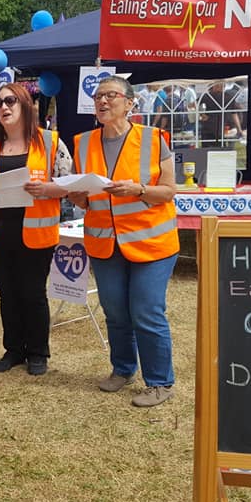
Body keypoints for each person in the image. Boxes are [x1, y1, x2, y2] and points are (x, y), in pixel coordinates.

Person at [68, 75, 179, 408]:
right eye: (98, 96)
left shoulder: (154, 139)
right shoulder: (83, 142)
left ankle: (160, 382)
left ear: (130, 103)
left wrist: (139, 190)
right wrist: (77, 194)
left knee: (146, 312)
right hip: (105, 244)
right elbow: (83, 198)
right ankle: (123, 369)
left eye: (110, 95)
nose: (102, 101)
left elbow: (170, 191)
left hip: (152, 244)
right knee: (115, 311)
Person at [0, 83, 70, 376]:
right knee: (6, 294)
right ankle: (13, 349)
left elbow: (69, 184)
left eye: (11, 101)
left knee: (33, 293)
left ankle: (38, 352)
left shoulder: (50, 142)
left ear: (26, 105)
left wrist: (47, 188)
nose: (4, 107)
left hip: (36, 234)